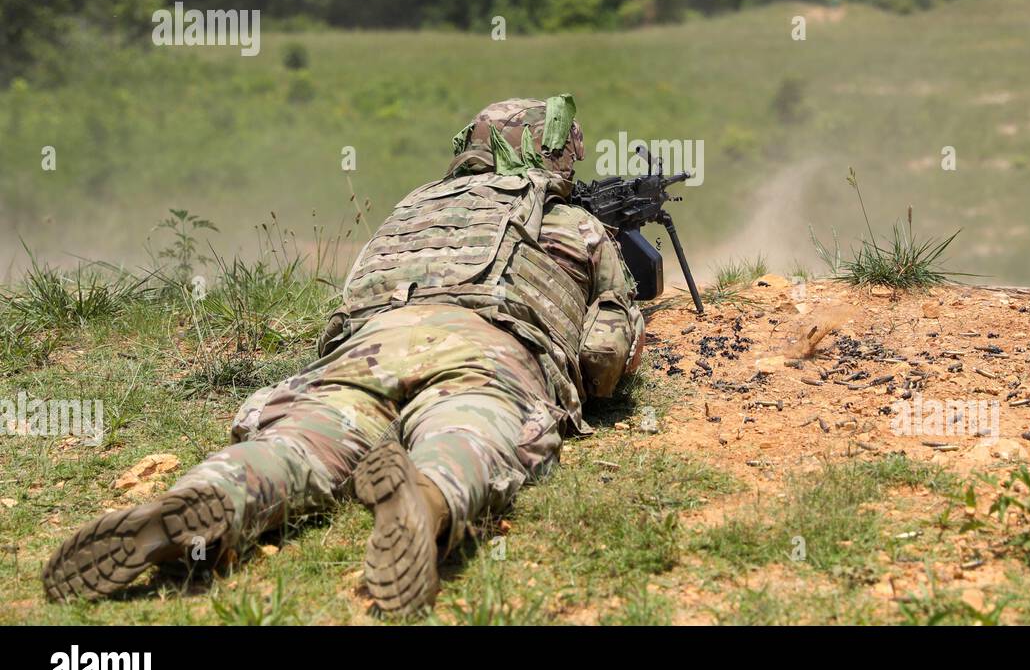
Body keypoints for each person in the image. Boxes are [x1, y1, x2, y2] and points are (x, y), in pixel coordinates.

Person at [43, 95, 645, 616]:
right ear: (551, 153)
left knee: (297, 446)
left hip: (368, 349)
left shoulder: (411, 210)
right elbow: (601, 355)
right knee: (470, 430)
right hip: (486, 348)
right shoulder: (573, 224)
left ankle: (207, 499)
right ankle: (428, 500)